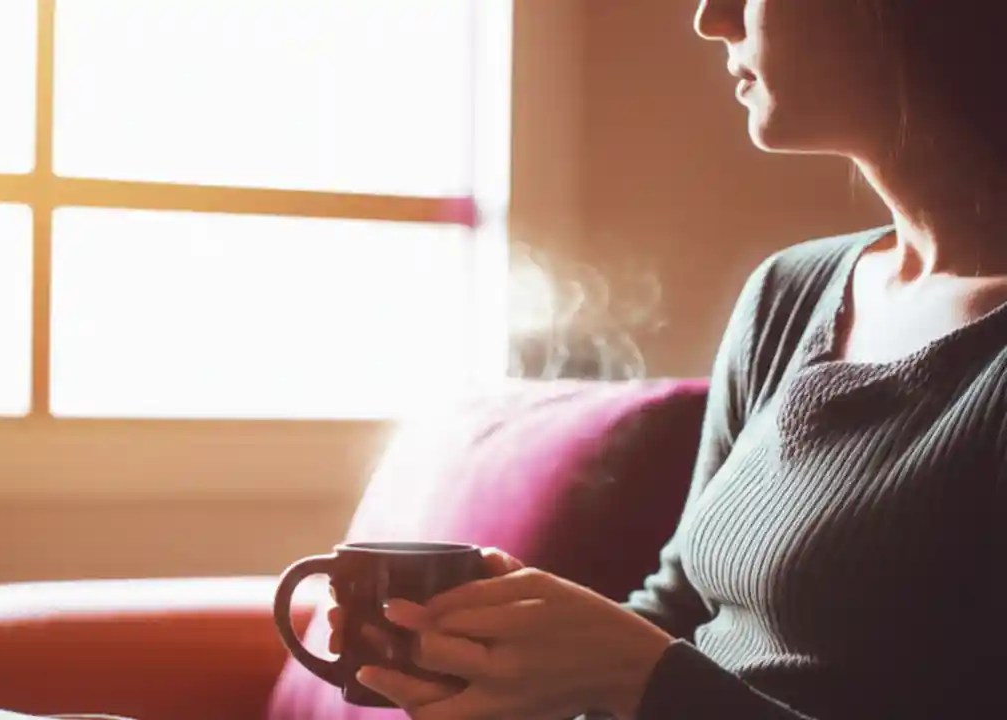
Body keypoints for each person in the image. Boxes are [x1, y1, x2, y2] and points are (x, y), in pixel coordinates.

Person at [331, 0, 1007, 718]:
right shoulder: (791, 294)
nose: (711, 18)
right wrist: (514, 653)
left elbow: (660, 675)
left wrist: (638, 676)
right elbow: (682, 604)